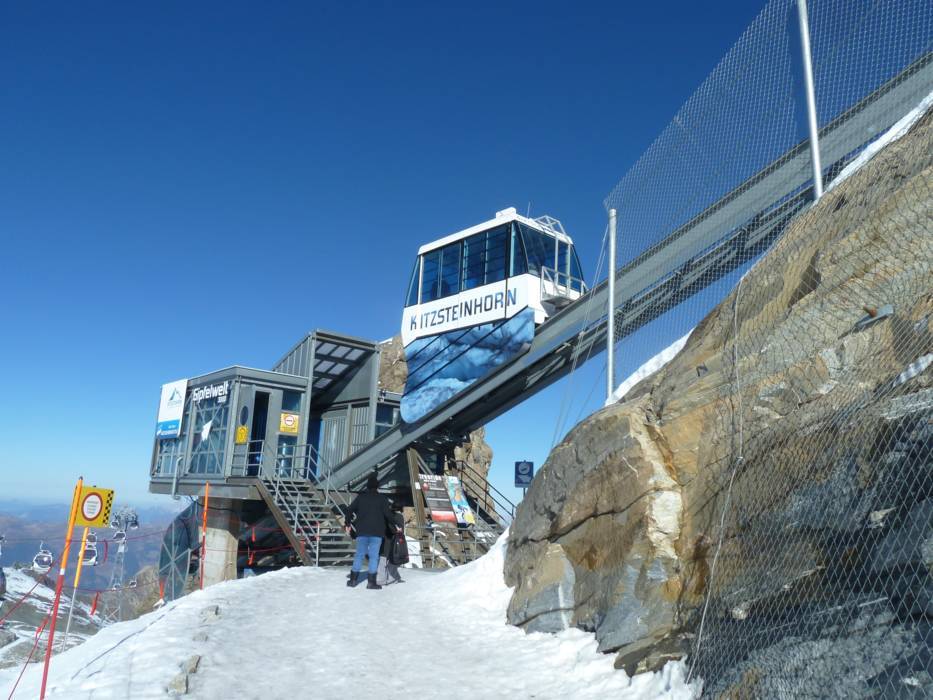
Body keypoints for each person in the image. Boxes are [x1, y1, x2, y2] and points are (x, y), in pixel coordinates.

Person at [345, 475, 394, 589]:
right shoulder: (382, 499)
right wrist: (396, 525)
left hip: (362, 532)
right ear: (377, 487)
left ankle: (353, 580)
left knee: (359, 555)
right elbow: (388, 515)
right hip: (377, 532)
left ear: (367, 486)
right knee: (374, 557)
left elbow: (349, 509)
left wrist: (348, 523)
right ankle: (371, 582)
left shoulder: (361, 498)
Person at [377, 503, 405, 586]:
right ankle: (393, 578)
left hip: (385, 539)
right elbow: (399, 530)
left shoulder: (386, 515)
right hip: (393, 541)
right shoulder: (399, 516)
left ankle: (384, 579)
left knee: (383, 560)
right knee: (392, 560)